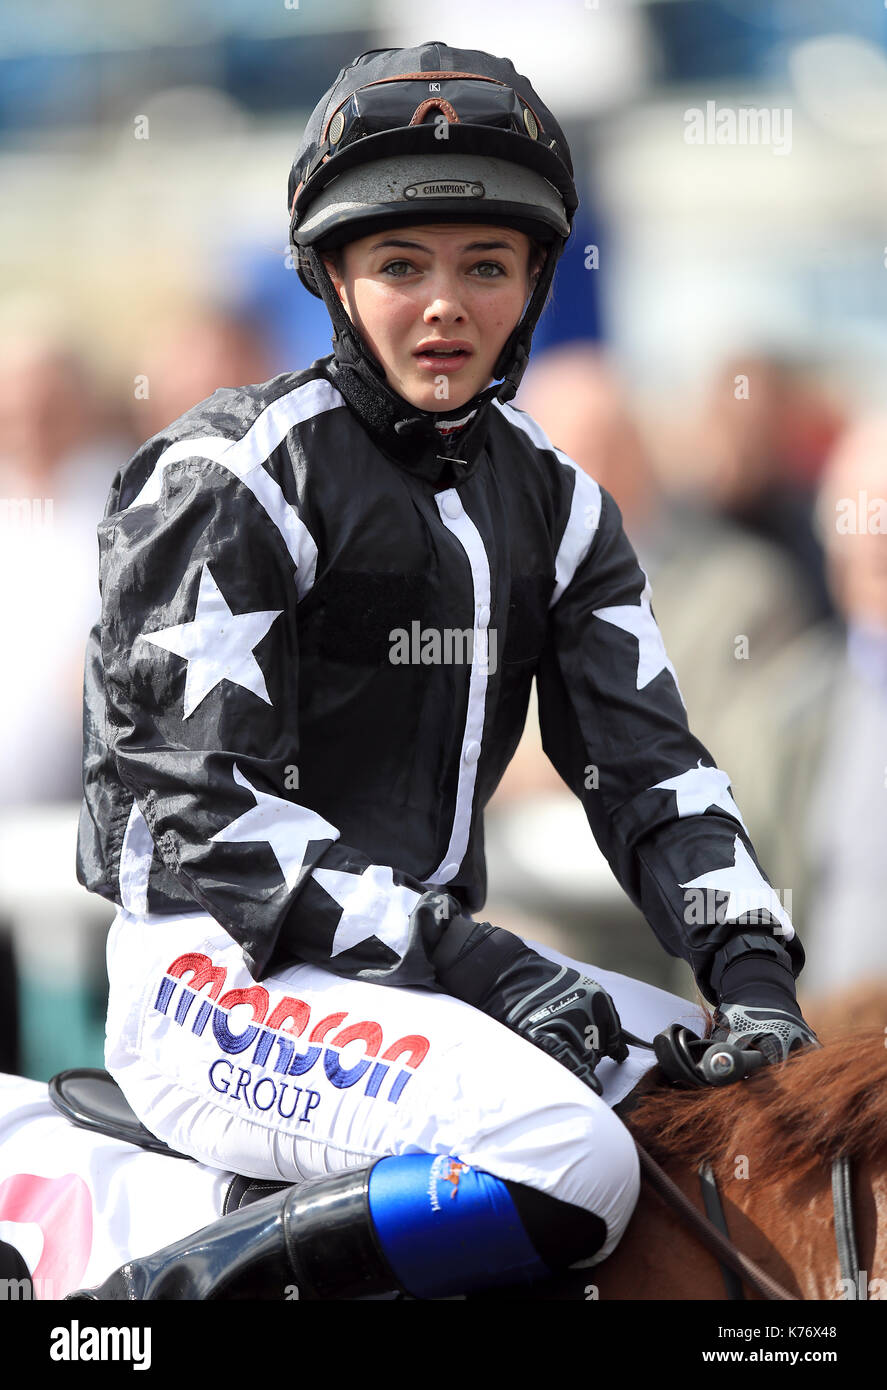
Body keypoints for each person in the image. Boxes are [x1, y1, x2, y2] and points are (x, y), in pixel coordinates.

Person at [75, 42, 818, 1301]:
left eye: (485, 267)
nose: (444, 306)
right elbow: (207, 818)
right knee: (565, 1153)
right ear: (332, 278)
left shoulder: (562, 504)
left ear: (532, 285)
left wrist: (751, 983)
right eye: (400, 266)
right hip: (219, 980)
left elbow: (653, 773)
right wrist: (477, 959)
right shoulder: (228, 478)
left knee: (751, 1121)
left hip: (420, 970)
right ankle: (137, 1310)